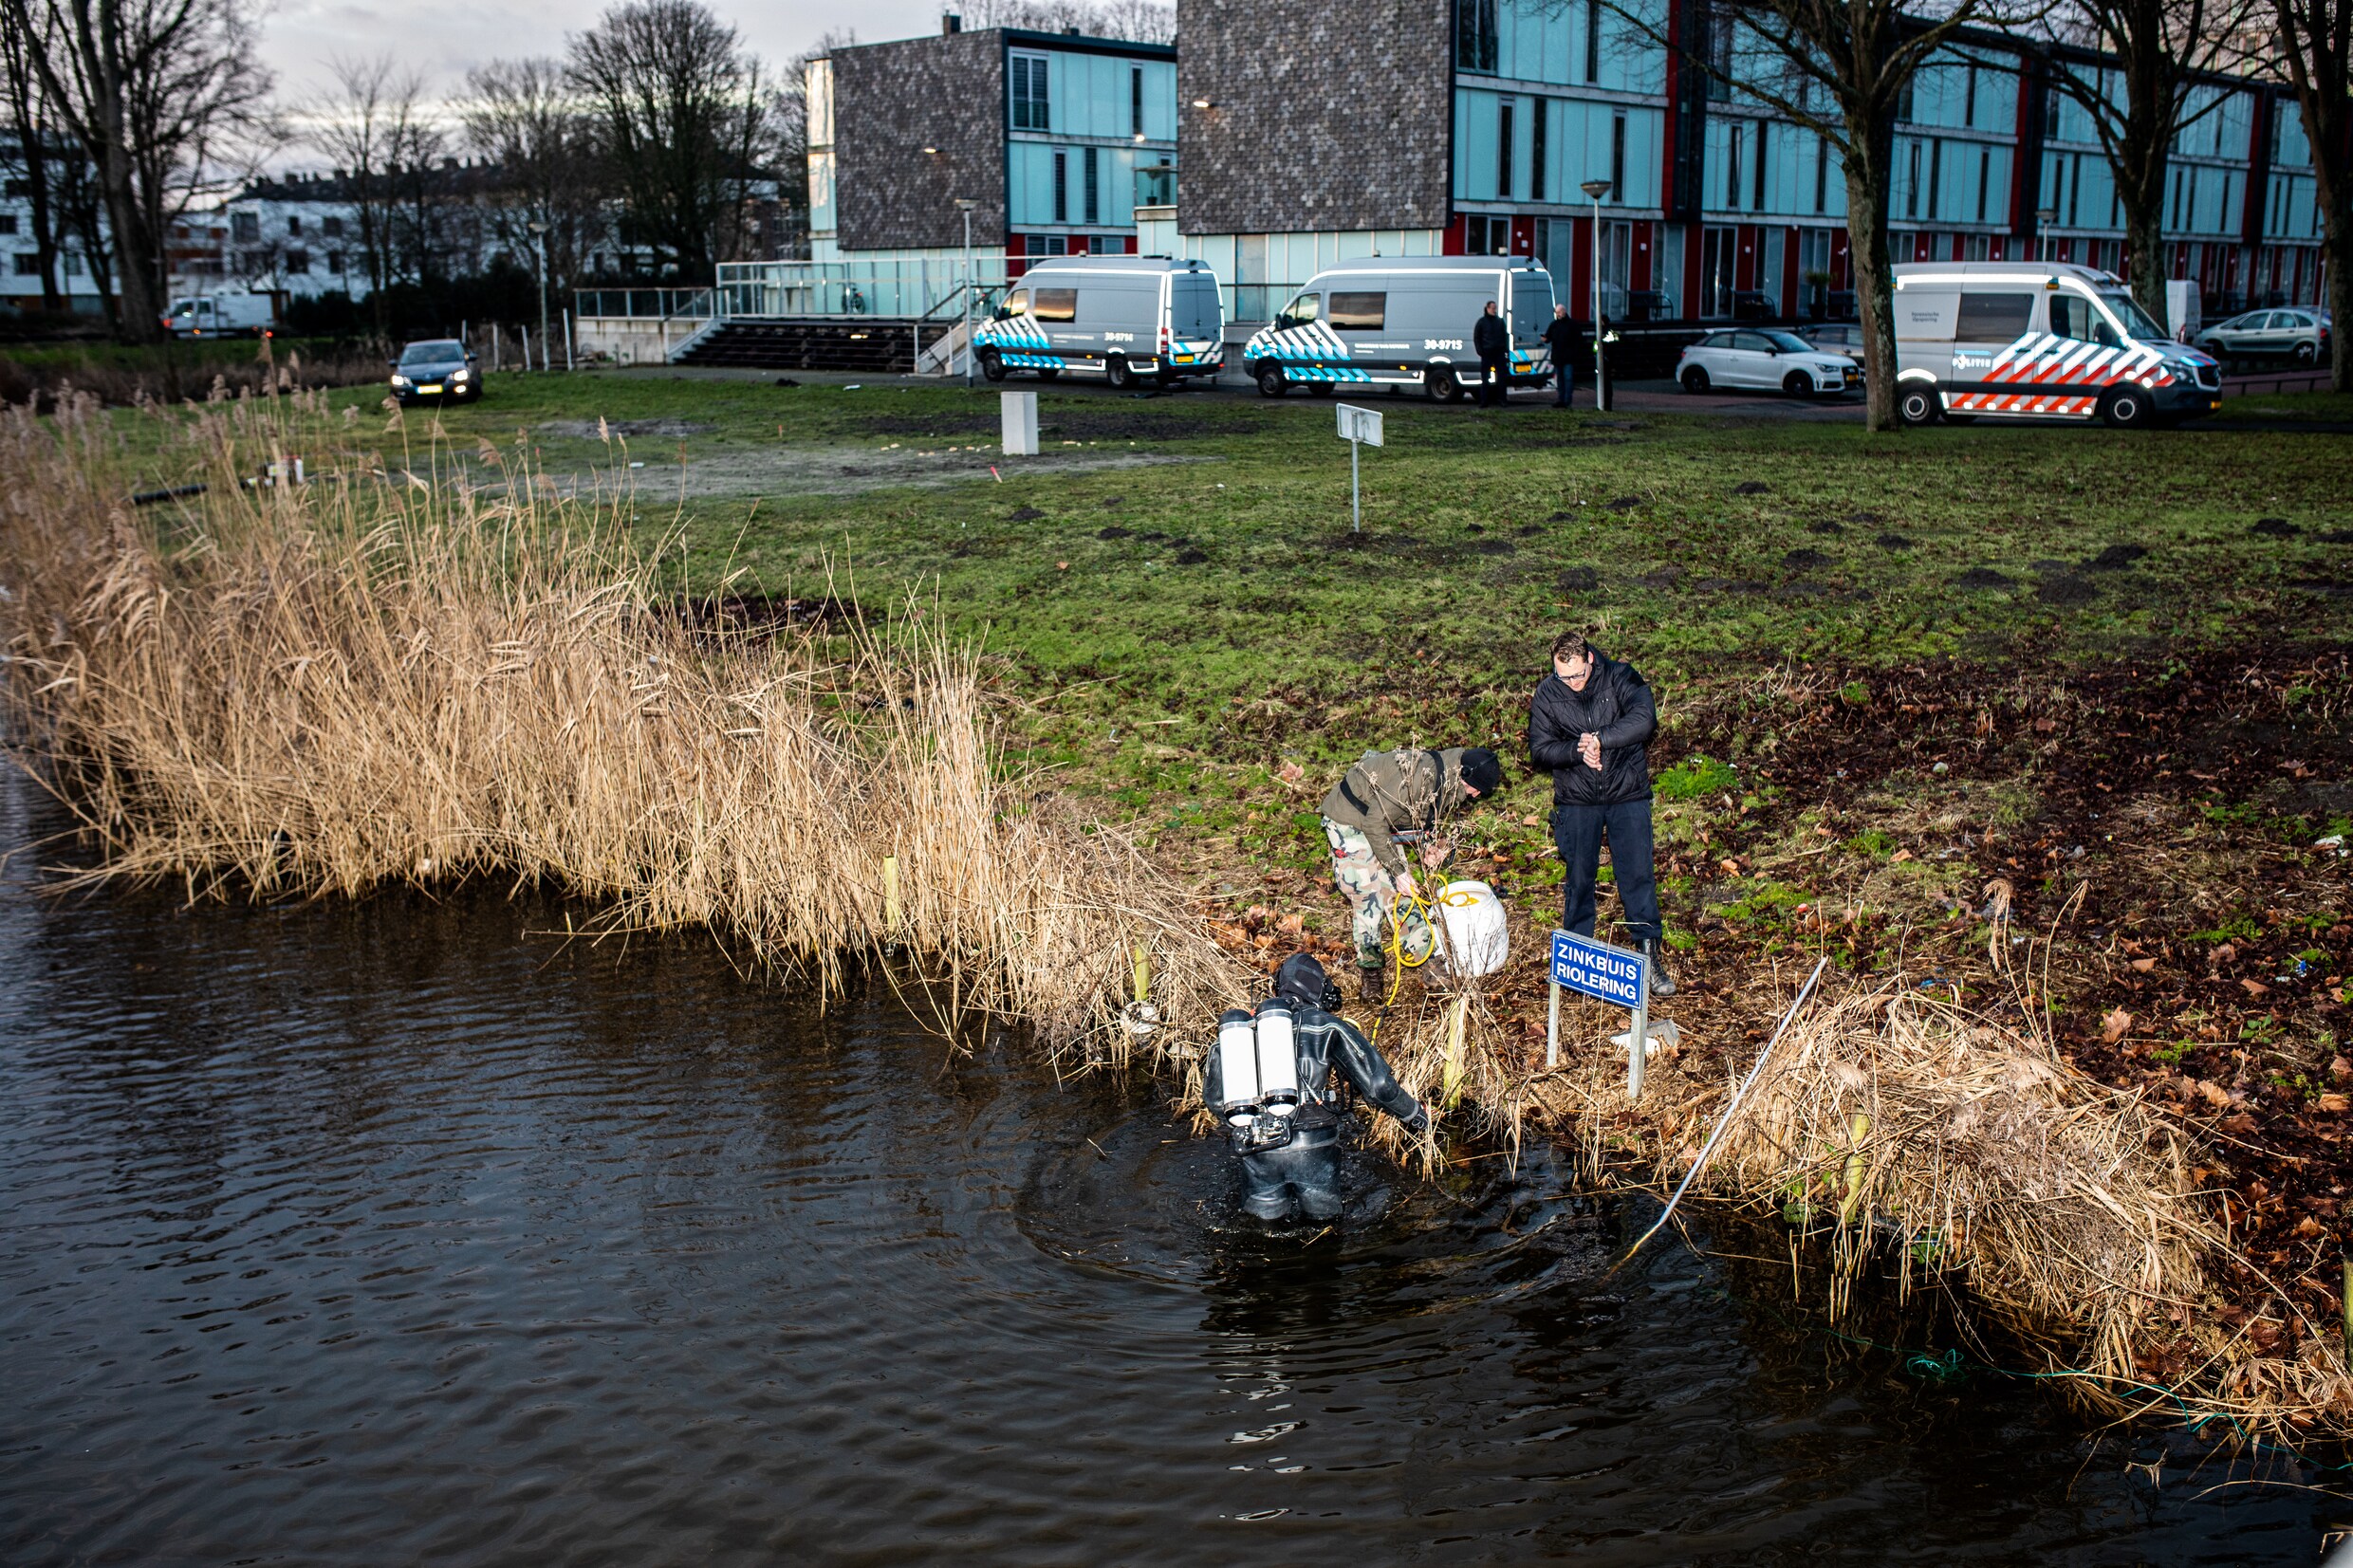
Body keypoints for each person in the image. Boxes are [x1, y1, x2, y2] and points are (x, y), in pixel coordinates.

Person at [1206, 952, 1430, 1224]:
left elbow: (1217, 1102)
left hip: (1259, 1146)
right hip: (1315, 1145)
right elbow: (1378, 1086)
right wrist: (1415, 1115)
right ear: (1318, 987)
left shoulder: (1239, 1032)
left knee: (1264, 1236)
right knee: (1325, 1230)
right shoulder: (1327, 1024)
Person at [1527, 628, 1675, 995]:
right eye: (1563, 676)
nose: (1572, 683)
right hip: (1577, 800)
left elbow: (1644, 719)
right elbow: (1541, 749)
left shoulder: (1621, 675)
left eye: (1577, 674)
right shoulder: (1548, 692)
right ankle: (1577, 963)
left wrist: (1601, 739)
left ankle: (1648, 954)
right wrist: (1578, 750)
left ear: (1589, 658)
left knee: (1637, 875)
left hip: (1627, 793)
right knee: (1579, 878)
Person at [1320, 744, 1503, 987]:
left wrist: (1431, 847)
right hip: (1351, 816)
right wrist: (1398, 871)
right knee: (1369, 895)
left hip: (1382, 819)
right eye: (1476, 788)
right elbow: (1375, 823)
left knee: (1402, 894)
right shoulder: (1417, 777)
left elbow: (1422, 818)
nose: (1476, 795)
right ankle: (1371, 970)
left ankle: (1428, 959)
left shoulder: (1450, 783)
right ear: (1464, 773)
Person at [1542, 304, 1581, 409]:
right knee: (1562, 379)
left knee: (1567, 378)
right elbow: (1548, 336)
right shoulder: (1554, 325)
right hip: (1559, 357)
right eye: (1556, 312)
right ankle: (1562, 399)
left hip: (1567, 357)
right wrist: (1546, 339)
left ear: (1564, 311)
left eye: (1559, 312)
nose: (1558, 314)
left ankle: (1566, 400)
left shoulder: (1571, 325)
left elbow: (1578, 340)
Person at [1473, 299, 1510, 407]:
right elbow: (1477, 337)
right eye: (1493, 308)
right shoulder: (1482, 322)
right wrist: (1480, 351)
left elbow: (1505, 336)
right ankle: (1484, 401)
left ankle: (1502, 399)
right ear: (1487, 308)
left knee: (1501, 378)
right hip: (1487, 352)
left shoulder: (1499, 321)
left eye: (1495, 308)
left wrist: (1504, 349)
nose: (1494, 310)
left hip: (1498, 352)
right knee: (1485, 378)